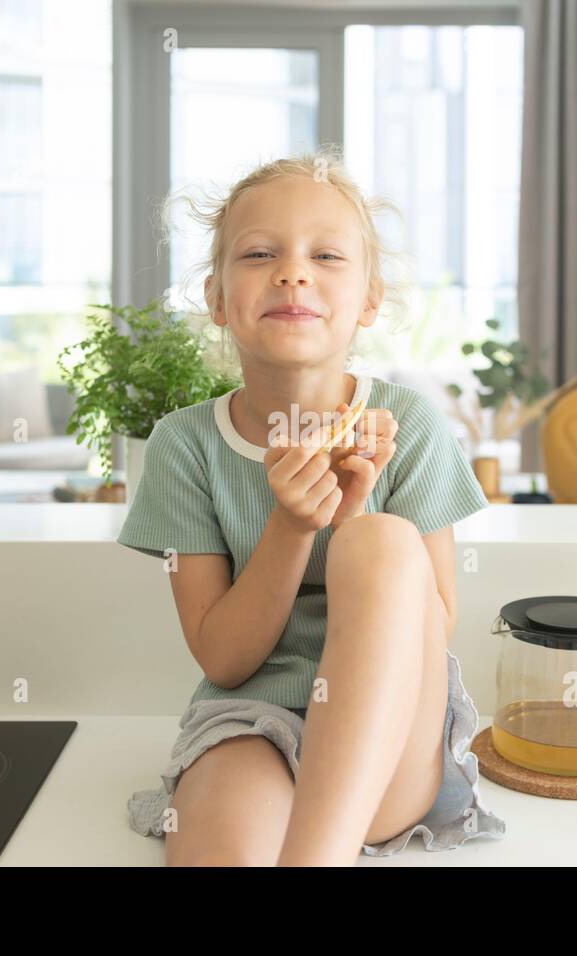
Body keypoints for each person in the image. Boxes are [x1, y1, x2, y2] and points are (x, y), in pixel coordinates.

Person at [118, 145, 505, 865]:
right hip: (249, 723)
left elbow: (435, 626)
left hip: (391, 740)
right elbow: (226, 661)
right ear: (216, 297)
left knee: (380, 542)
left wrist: (348, 519)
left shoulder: (408, 425)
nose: (293, 270)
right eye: (260, 253)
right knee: (214, 843)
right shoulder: (184, 446)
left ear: (368, 300)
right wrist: (290, 526)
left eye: (327, 256)